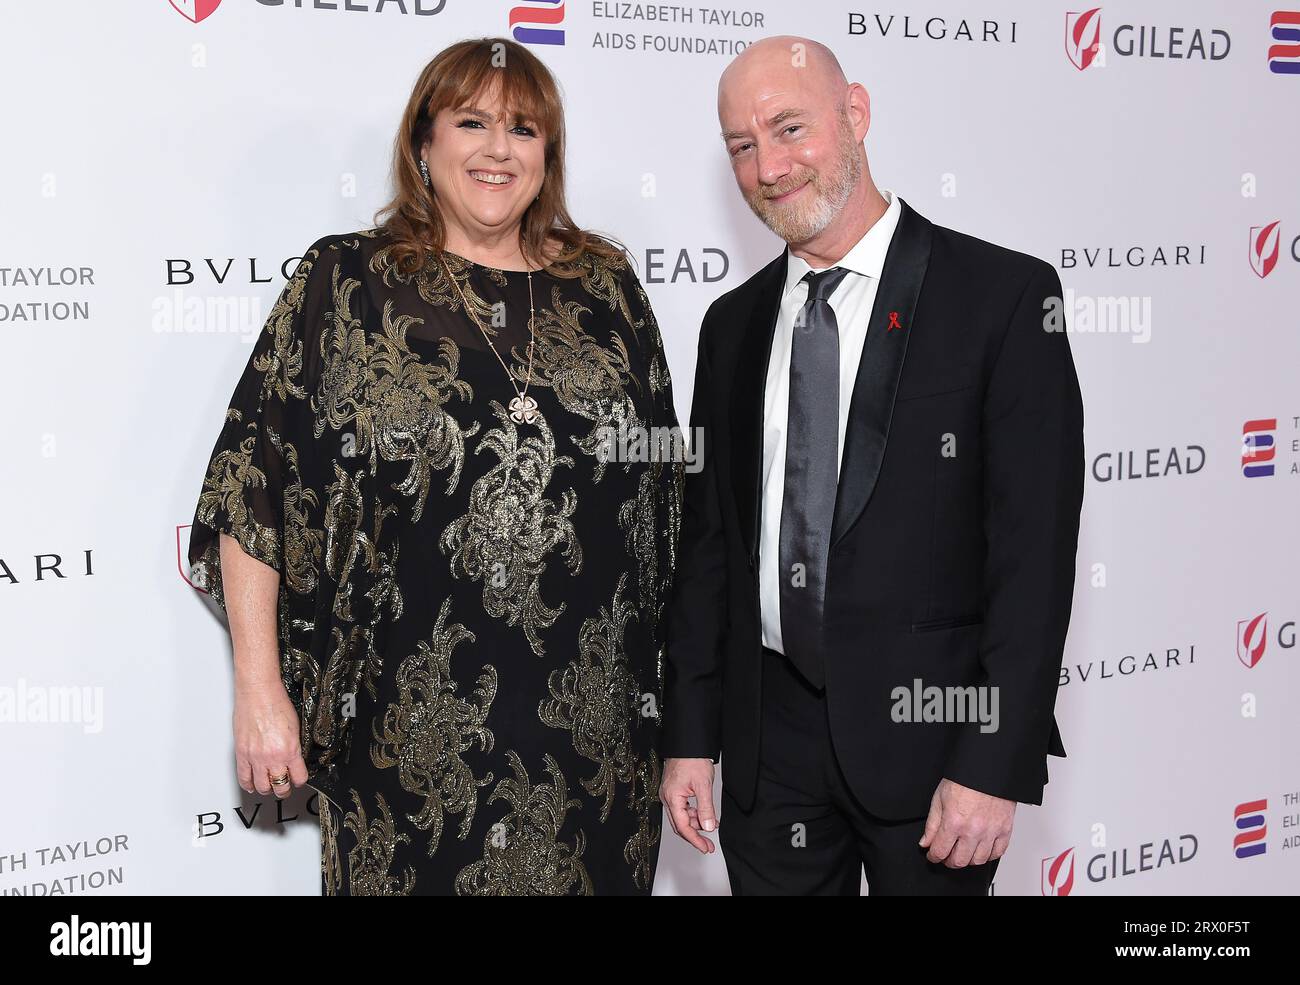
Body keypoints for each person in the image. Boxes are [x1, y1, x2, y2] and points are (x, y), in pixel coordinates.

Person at [187, 37, 682, 896]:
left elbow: (668, 513)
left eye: (524, 129)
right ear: (424, 143)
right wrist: (259, 691)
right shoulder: (348, 282)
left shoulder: (609, 291)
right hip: (409, 739)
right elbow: (253, 489)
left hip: (597, 745)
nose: (499, 148)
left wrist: (688, 727)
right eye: (473, 122)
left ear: (548, 156)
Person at [659, 36, 1085, 895]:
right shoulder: (730, 325)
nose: (770, 167)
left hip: (932, 752)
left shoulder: (1000, 298)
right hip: (764, 750)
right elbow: (709, 548)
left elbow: (1033, 558)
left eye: (789, 129)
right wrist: (691, 734)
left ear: (855, 114)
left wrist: (994, 762)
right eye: (743, 146)